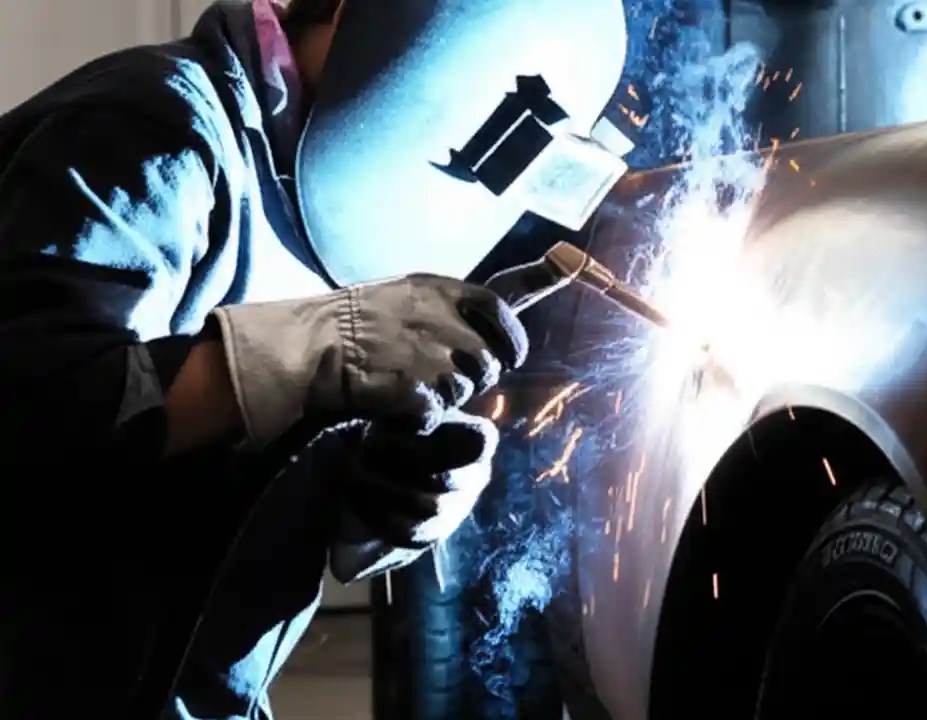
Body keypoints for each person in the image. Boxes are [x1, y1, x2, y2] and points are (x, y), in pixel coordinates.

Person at [0, 0, 631, 717]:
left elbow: (235, 484)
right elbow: (35, 412)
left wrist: (384, 489)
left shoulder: (344, 208)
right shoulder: (152, 126)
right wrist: (316, 351)